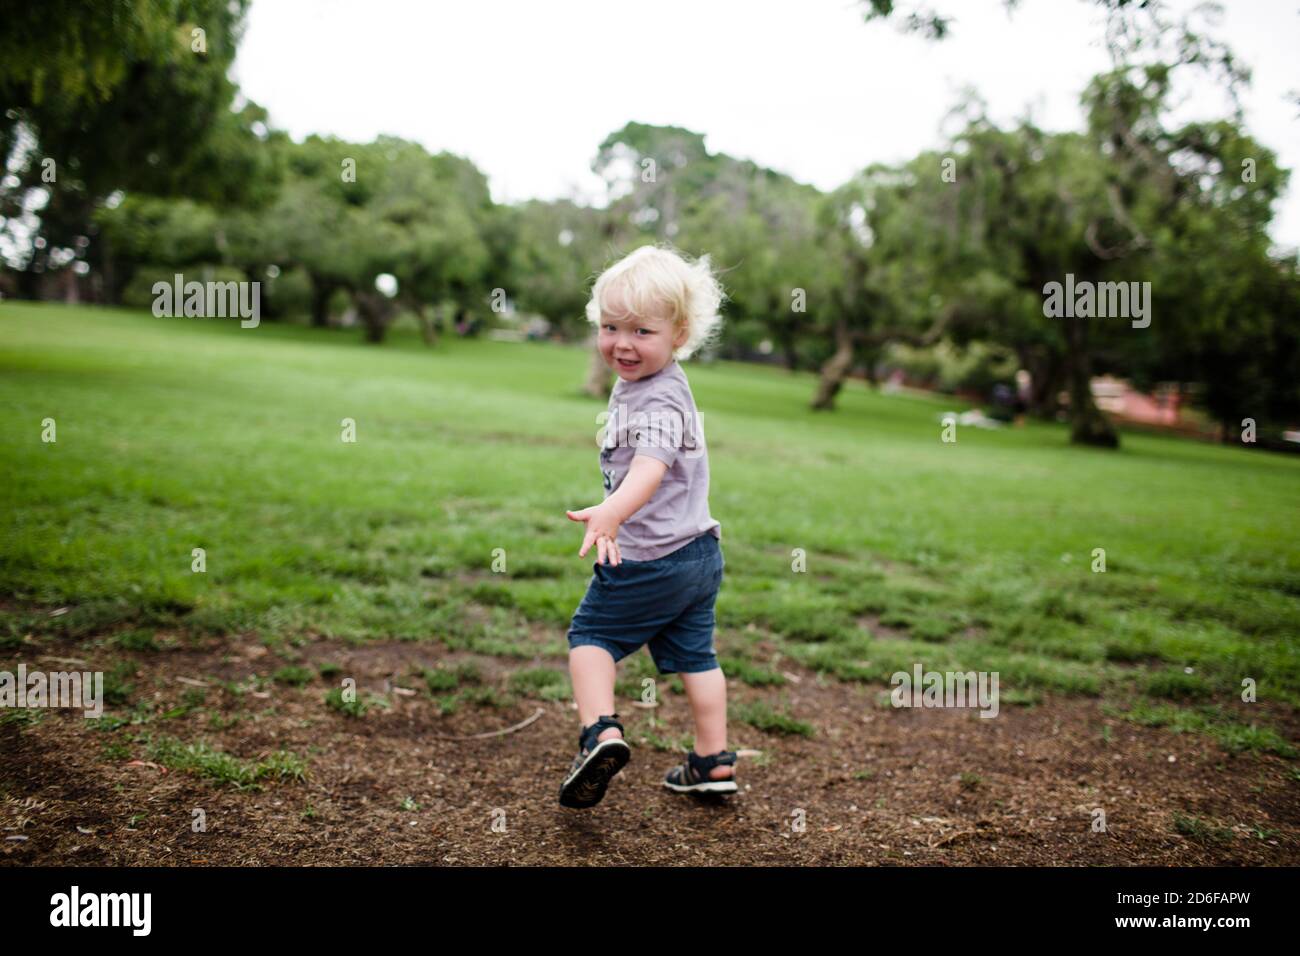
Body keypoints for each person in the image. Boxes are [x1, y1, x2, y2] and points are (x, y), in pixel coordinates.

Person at [559, 244, 736, 809]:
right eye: (611, 327)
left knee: (592, 640)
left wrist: (612, 512)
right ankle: (712, 761)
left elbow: (650, 469)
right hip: (698, 558)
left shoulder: (660, 399)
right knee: (696, 658)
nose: (622, 343)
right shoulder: (647, 381)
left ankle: (601, 734)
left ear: (679, 334)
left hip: (649, 559)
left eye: (641, 331)